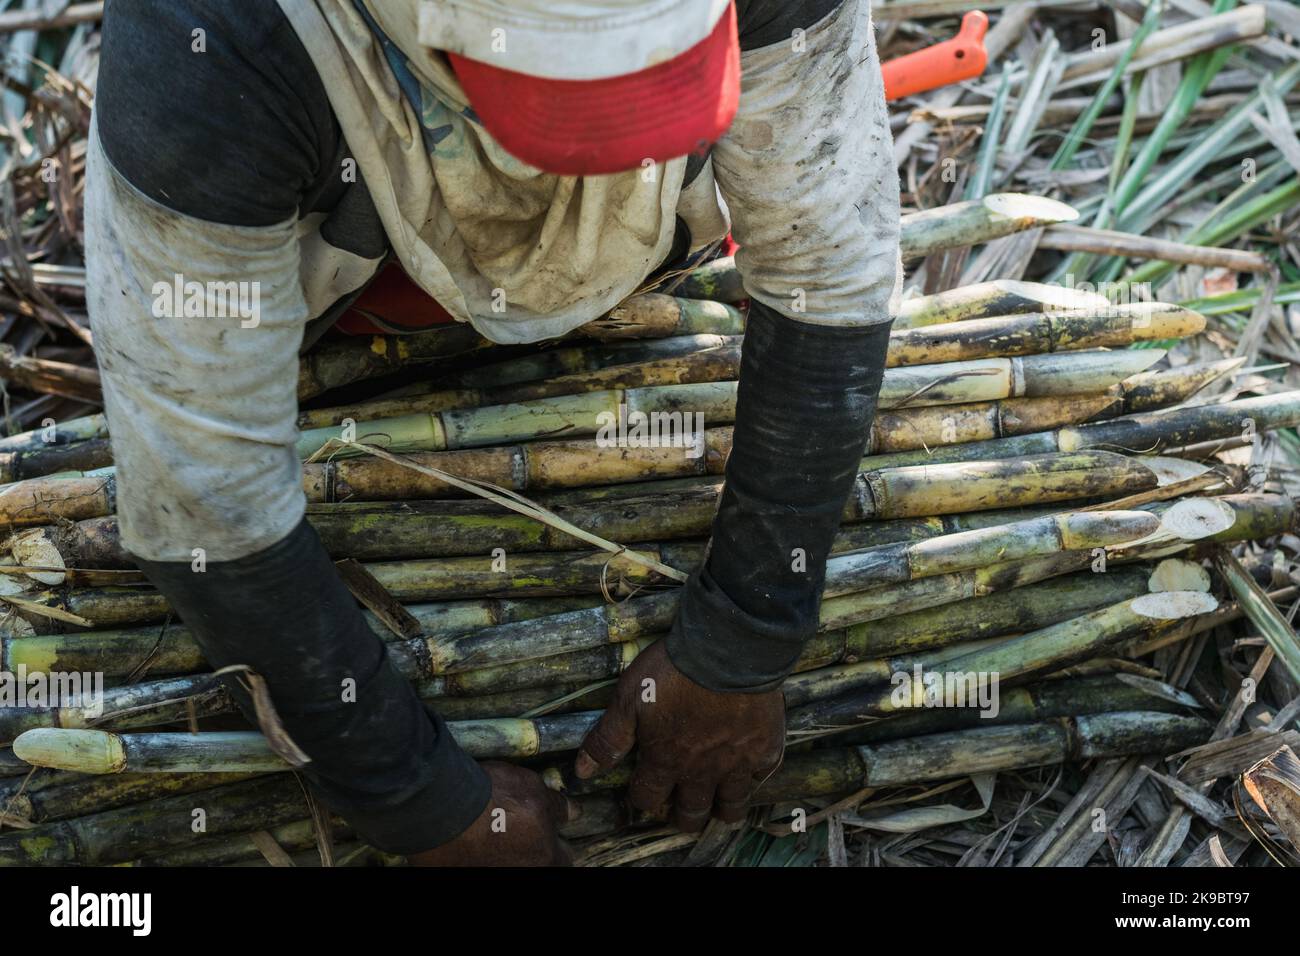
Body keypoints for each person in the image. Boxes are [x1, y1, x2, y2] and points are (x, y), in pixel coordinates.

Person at [85, 0, 901, 865]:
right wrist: (416, 798)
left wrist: (746, 634)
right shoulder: (210, 43)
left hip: (640, 297)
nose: (622, 134)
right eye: (589, 103)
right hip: (342, 329)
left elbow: (829, 266)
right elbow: (203, 489)